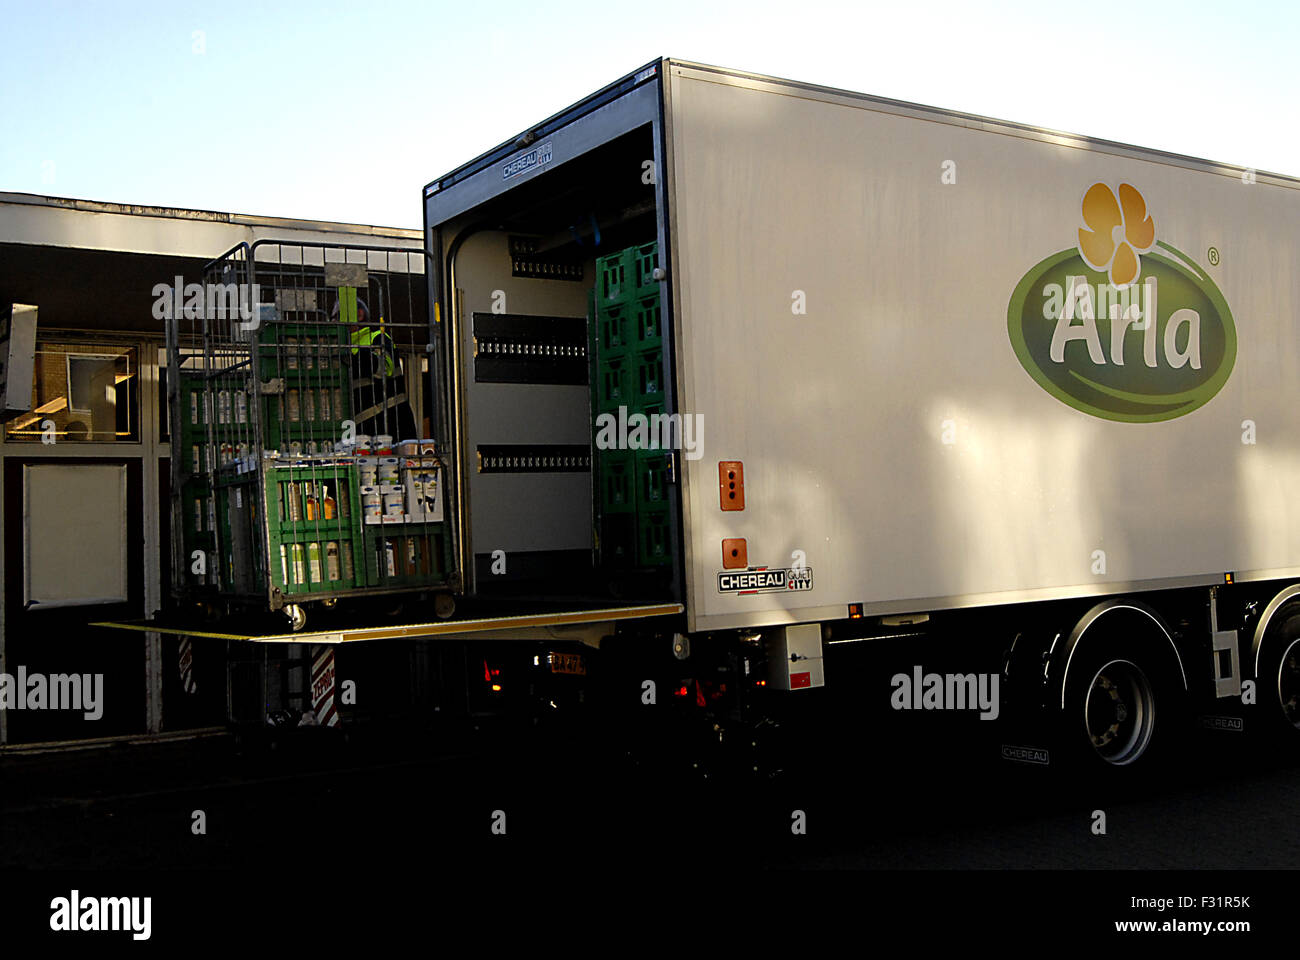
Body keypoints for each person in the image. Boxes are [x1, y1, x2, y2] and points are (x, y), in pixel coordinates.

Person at [332, 292, 416, 439]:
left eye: (338, 316)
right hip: (362, 432)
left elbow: (383, 367)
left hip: (392, 426)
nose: (334, 323)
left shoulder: (378, 337)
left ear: (359, 315)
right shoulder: (340, 346)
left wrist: (351, 358)